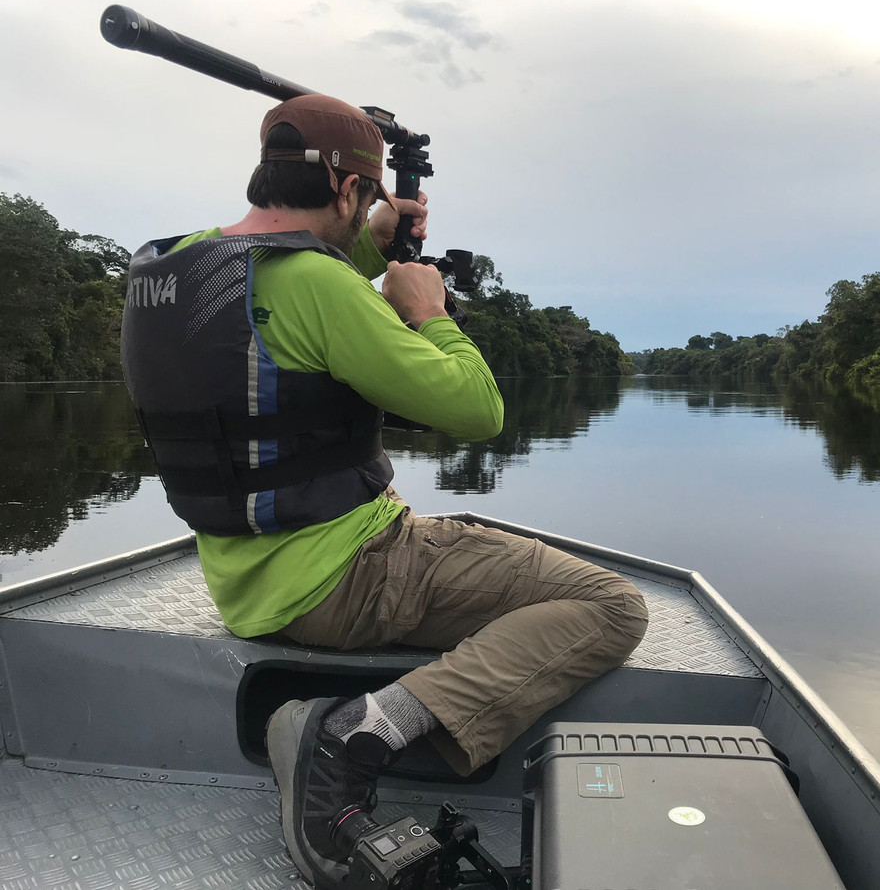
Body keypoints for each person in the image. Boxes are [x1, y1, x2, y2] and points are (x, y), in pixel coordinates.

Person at [120, 94, 648, 889]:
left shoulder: (173, 268)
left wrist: (369, 243)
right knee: (612, 607)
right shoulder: (320, 289)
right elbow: (478, 411)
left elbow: (287, 289)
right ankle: (357, 736)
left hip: (242, 581)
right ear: (343, 190)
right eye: (362, 199)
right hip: (351, 577)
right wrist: (429, 312)